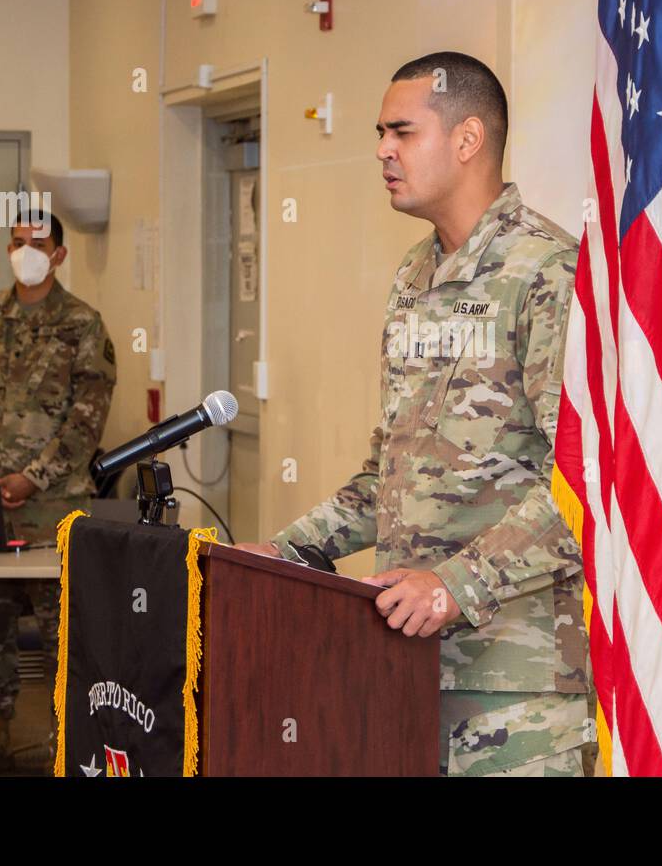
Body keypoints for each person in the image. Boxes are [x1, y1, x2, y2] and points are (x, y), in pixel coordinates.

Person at [234, 52, 592, 776]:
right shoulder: (414, 275)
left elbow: (587, 489)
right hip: (401, 664)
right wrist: (282, 553)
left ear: (466, 140)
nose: (381, 150)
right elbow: (392, 476)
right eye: (379, 133)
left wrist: (453, 585)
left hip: (513, 682)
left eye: (401, 131)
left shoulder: (549, 273)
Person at [0, 209, 117, 776]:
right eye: (16, 242)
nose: (25, 250)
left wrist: (32, 477)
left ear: (60, 254)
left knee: (63, 632)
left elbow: (87, 419)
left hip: (55, 508)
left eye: (36, 243)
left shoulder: (83, 325)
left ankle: (67, 742)